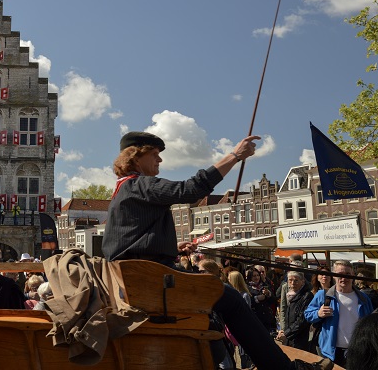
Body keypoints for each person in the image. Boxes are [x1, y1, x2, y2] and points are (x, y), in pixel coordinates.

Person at [101, 131, 330, 370]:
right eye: (155, 154)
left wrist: (173, 247)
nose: (160, 160)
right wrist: (234, 156)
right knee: (233, 301)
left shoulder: (120, 193)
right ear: (136, 158)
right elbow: (189, 189)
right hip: (156, 281)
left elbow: (127, 244)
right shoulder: (140, 185)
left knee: (214, 313)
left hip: (140, 279)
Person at [304, 260, 374, 367]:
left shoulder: (363, 298)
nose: (344, 278)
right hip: (331, 352)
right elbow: (308, 315)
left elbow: (371, 323)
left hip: (358, 351)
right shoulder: (323, 295)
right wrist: (318, 313)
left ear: (353, 275)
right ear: (333, 276)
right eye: (340, 274)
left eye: (347, 274)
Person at [277, 271, 314, 351]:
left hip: (300, 338)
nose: (293, 283)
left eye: (296, 280)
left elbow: (301, 320)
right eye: (290, 280)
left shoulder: (307, 296)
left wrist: (287, 333)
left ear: (302, 281)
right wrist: (283, 330)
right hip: (289, 335)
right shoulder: (289, 294)